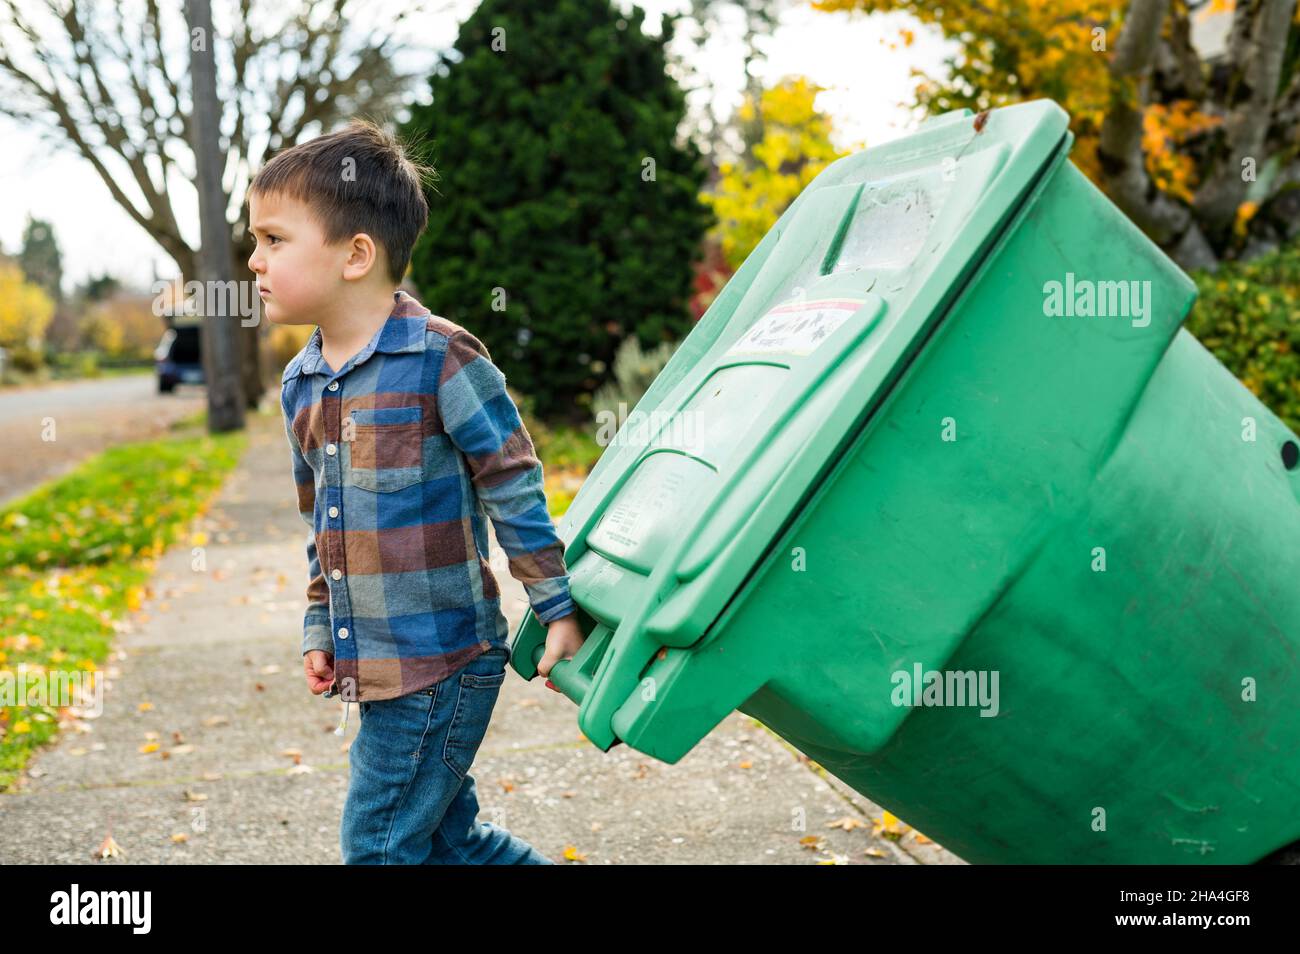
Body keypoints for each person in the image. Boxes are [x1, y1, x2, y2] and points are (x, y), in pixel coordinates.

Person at [249, 118, 585, 864]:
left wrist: (554, 603)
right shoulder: (300, 384)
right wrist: (318, 627)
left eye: (274, 239)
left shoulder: (441, 358)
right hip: (376, 666)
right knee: (449, 844)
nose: (254, 259)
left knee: (377, 845)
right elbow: (323, 526)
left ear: (355, 255)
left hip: (443, 662)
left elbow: (513, 482)